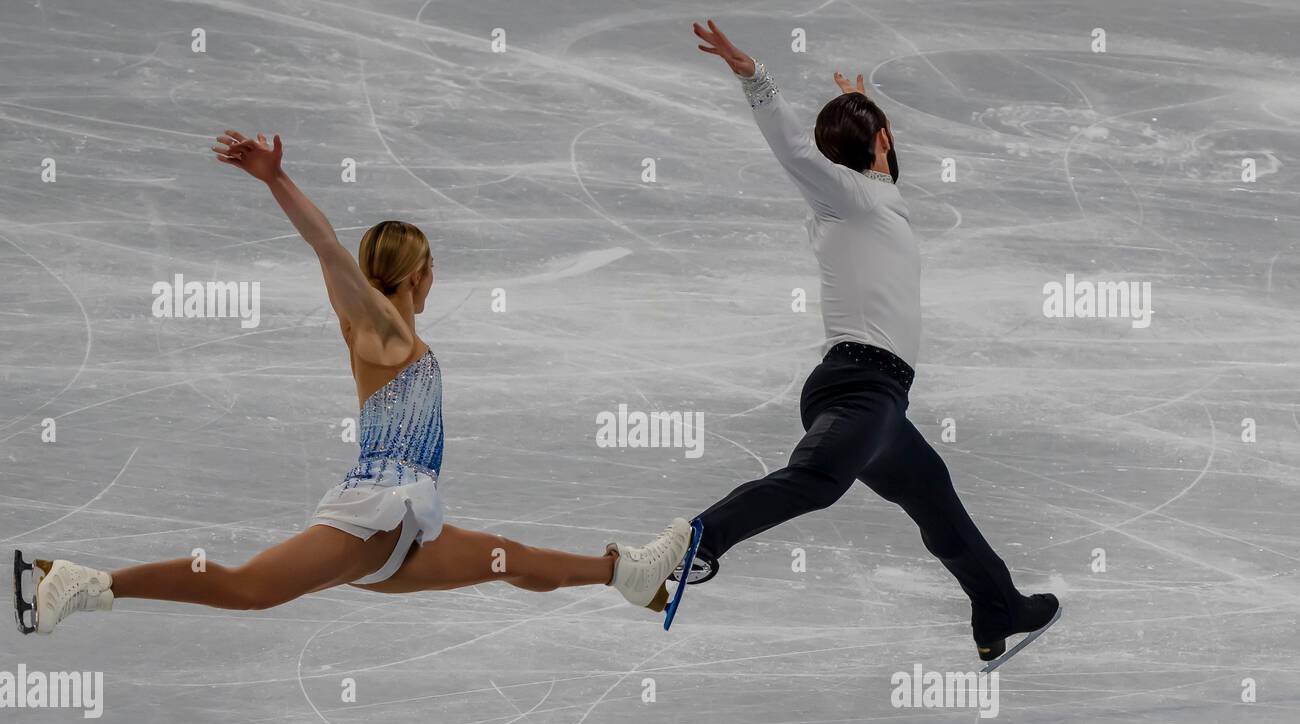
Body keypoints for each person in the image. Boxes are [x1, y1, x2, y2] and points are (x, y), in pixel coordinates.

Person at [13, 130, 690, 637]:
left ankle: (626, 574)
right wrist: (276, 181)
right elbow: (327, 249)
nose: (434, 281)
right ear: (417, 274)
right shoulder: (381, 330)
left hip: (405, 525)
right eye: (431, 270)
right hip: (374, 512)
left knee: (507, 560)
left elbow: (335, 257)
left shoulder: (390, 330)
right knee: (248, 589)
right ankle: (83, 582)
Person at [684, 21, 1059, 662]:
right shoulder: (848, 197)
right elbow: (794, 152)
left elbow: (874, 167)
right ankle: (694, 543)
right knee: (818, 481)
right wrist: (755, 77)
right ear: (878, 142)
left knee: (935, 499)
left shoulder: (875, 198)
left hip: (882, 399)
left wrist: (869, 112)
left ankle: (999, 607)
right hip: (859, 387)